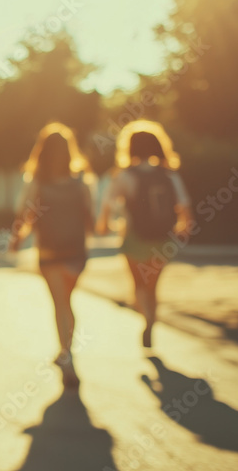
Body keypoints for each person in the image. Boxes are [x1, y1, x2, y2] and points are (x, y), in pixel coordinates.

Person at [10, 123, 95, 387]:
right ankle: (67, 351)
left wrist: (16, 239)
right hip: (76, 252)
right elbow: (90, 220)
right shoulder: (82, 182)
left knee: (59, 304)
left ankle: (66, 355)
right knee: (67, 302)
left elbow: (24, 215)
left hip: (49, 251)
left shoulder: (37, 183)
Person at [96, 120, 191, 349]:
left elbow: (108, 204)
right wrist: (183, 227)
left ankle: (145, 316)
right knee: (153, 286)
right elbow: (185, 207)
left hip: (133, 237)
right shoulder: (169, 176)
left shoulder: (124, 176)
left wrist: (103, 225)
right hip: (163, 238)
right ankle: (151, 320)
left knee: (138, 283)